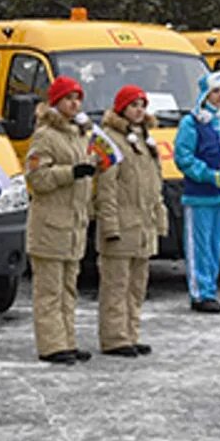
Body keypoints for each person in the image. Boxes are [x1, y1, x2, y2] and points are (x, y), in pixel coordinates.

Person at [25, 75, 96, 364]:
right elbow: (37, 178)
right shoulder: (45, 135)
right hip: (50, 225)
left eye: (78, 98)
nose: (74, 103)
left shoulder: (80, 134)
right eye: (69, 98)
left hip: (74, 224)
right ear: (56, 102)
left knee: (68, 289)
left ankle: (66, 339)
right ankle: (51, 344)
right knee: (49, 290)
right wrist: (71, 172)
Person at [94, 84, 166, 356]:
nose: (139, 110)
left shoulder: (145, 140)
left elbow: (154, 185)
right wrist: (110, 225)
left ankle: (131, 332)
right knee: (116, 285)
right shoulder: (110, 139)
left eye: (142, 105)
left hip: (142, 226)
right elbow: (107, 189)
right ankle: (114, 337)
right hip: (121, 226)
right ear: (122, 108)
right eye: (134, 105)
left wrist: (159, 220)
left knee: (137, 286)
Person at [175, 71, 220, 313]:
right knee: (199, 246)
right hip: (200, 196)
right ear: (205, 93)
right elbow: (183, 158)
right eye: (216, 91)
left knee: (216, 246)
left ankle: (210, 289)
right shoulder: (192, 122)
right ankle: (199, 293)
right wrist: (209, 175)